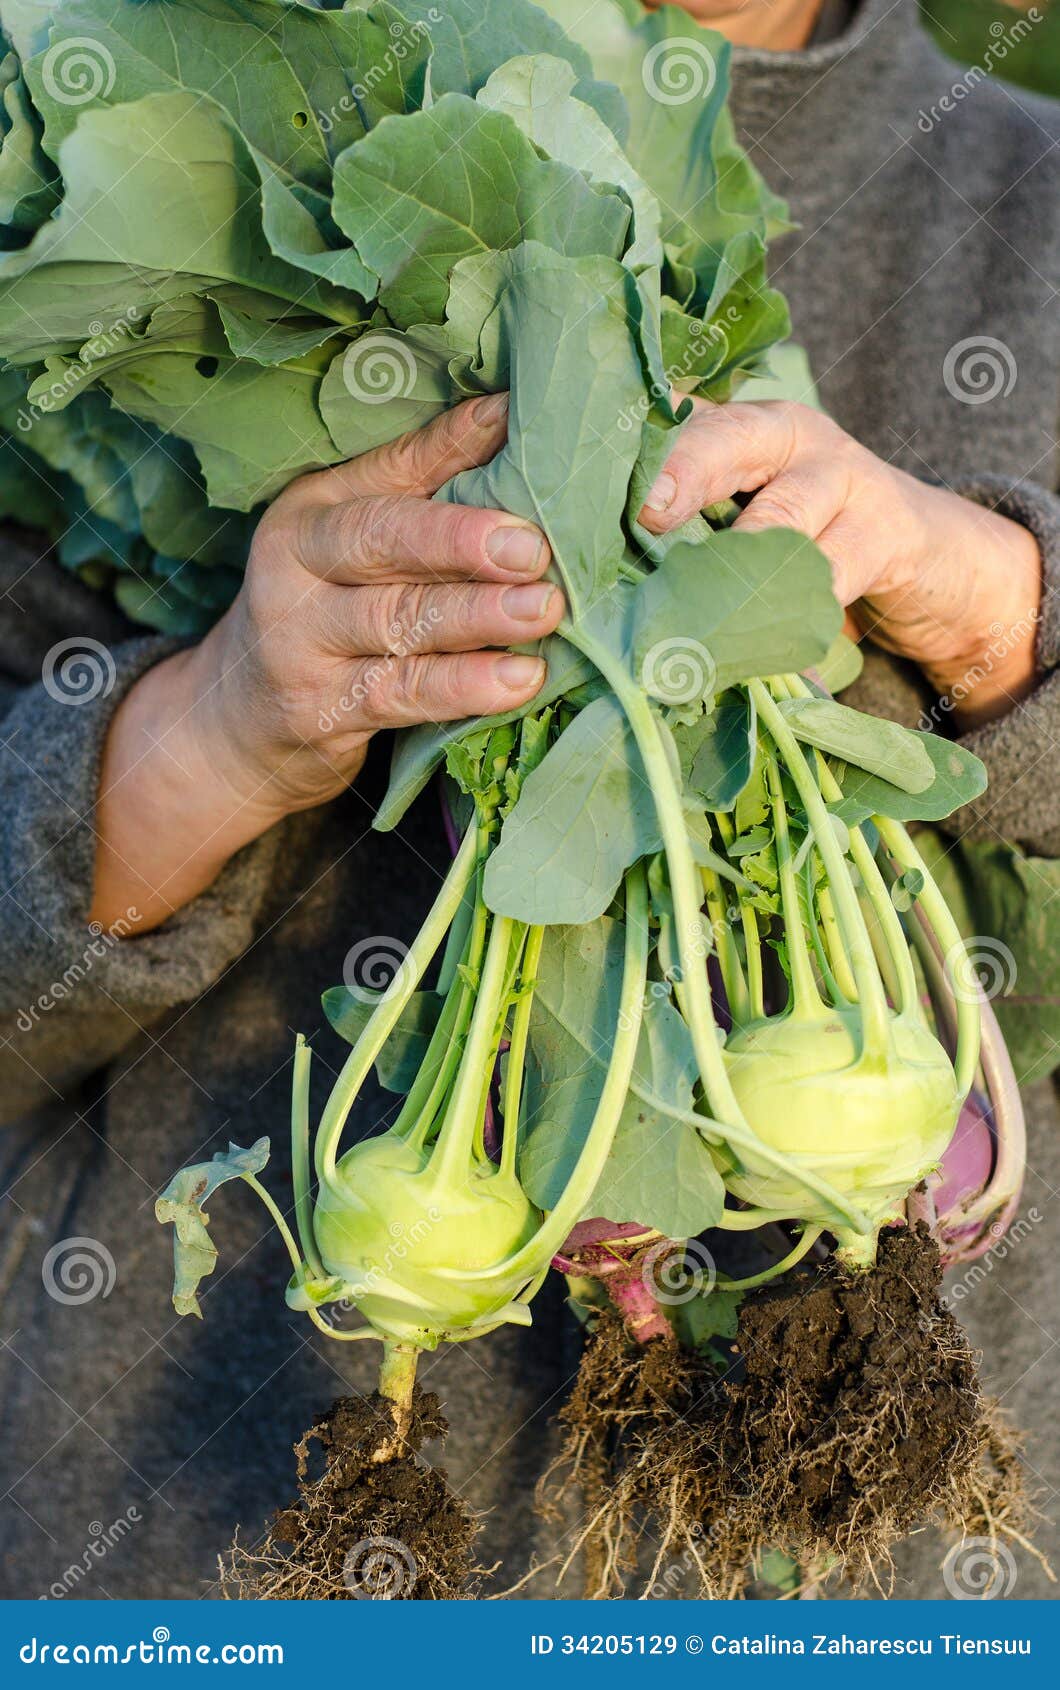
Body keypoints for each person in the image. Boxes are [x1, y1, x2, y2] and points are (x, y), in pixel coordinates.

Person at [1, 0, 1057, 1599]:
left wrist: (1004, 619)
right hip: (195, 1576)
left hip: (906, 1596)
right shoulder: (266, 80)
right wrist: (209, 731)